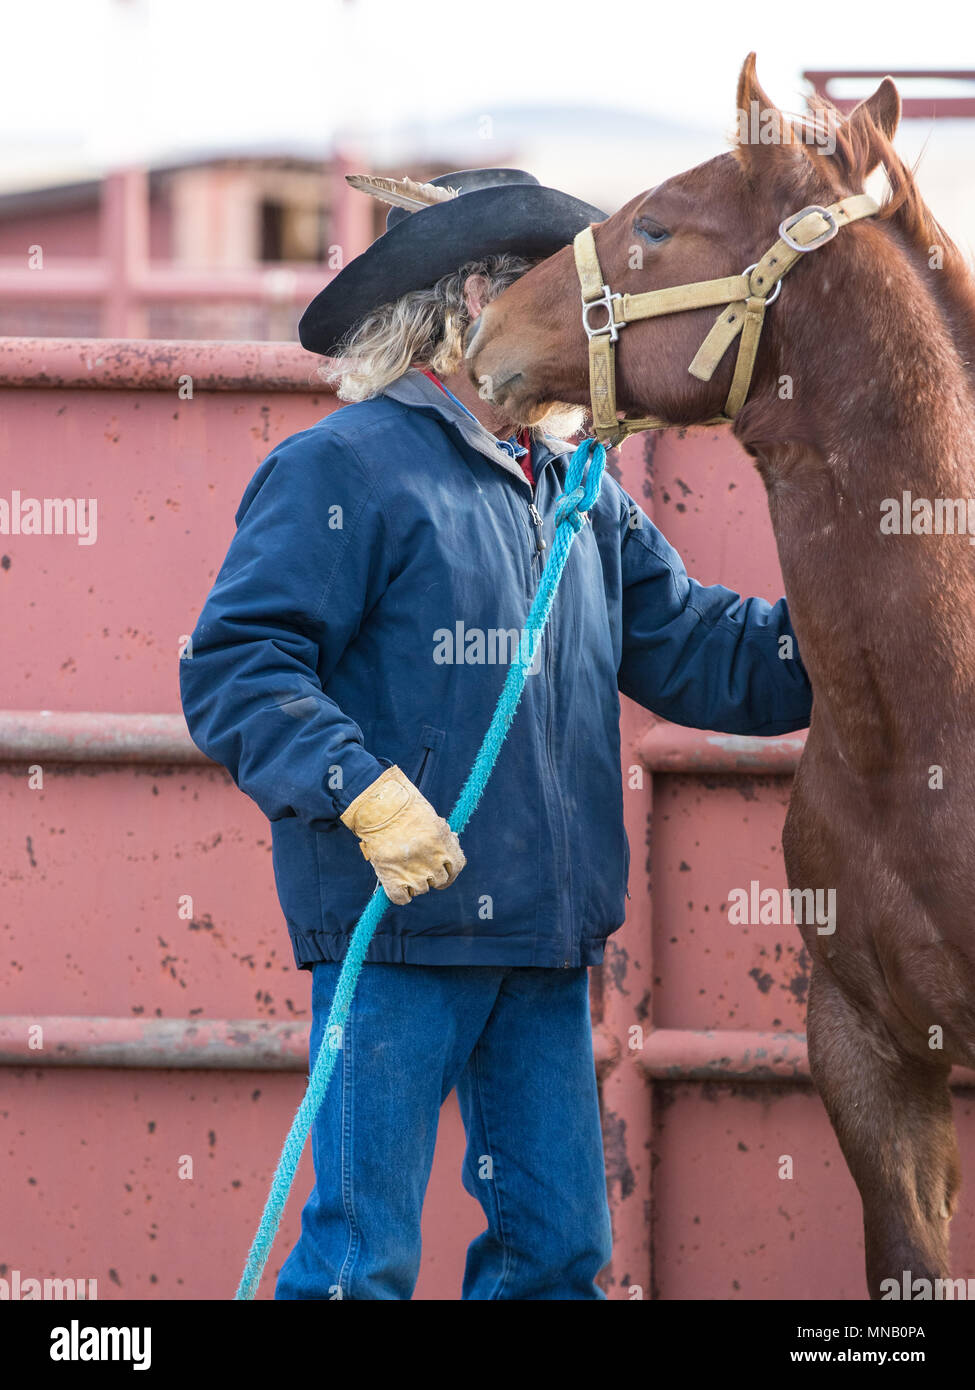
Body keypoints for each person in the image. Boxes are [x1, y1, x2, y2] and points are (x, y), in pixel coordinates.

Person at [179, 167, 812, 1300]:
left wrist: (861, 641)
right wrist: (364, 792)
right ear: (477, 298)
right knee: (360, 1262)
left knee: (558, 1255)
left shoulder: (577, 489)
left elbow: (695, 649)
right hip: (400, 933)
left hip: (538, 944)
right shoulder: (343, 467)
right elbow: (235, 664)